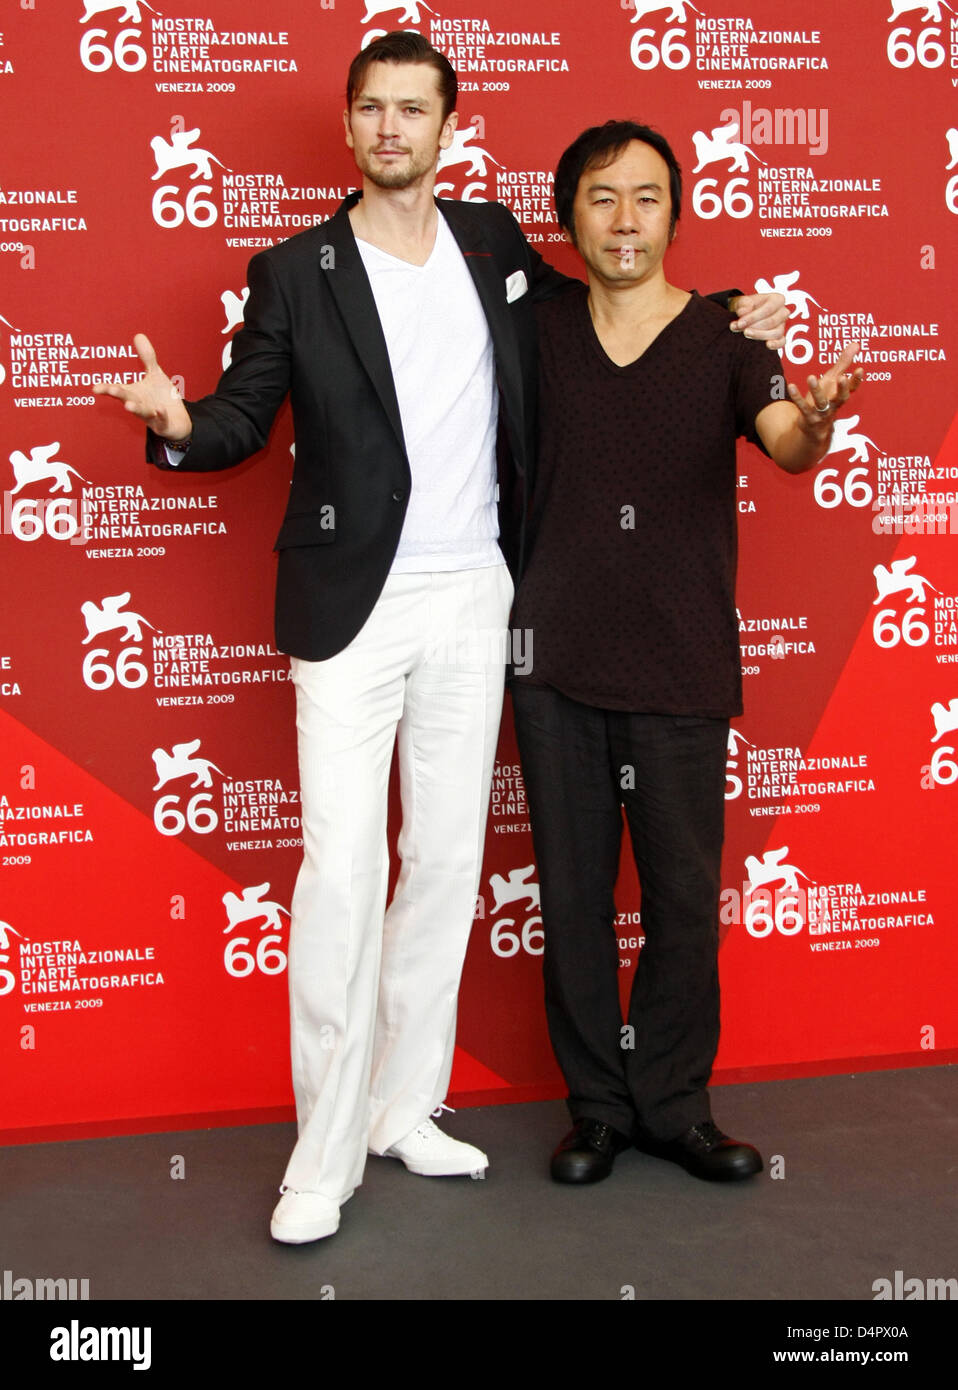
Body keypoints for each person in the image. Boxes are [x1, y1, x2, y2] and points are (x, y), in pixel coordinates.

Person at [93, 39, 787, 1243]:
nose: (391, 127)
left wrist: (733, 318)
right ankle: (321, 1154)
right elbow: (243, 415)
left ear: (448, 125)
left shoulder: (493, 249)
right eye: (371, 109)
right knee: (345, 873)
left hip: (480, 599)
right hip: (350, 610)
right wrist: (178, 425)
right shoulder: (296, 270)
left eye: (413, 109)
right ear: (351, 129)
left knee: (444, 870)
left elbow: (622, 307)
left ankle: (404, 1105)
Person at [510, 121, 863, 1187]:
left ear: (676, 212)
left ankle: (673, 1107)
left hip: (679, 660)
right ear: (567, 215)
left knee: (678, 898)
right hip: (552, 660)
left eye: (648, 197)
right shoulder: (532, 331)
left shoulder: (726, 336)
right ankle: (597, 1113)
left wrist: (816, 418)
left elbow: (787, 441)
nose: (625, 219)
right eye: (603, 198)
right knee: (571, 900)